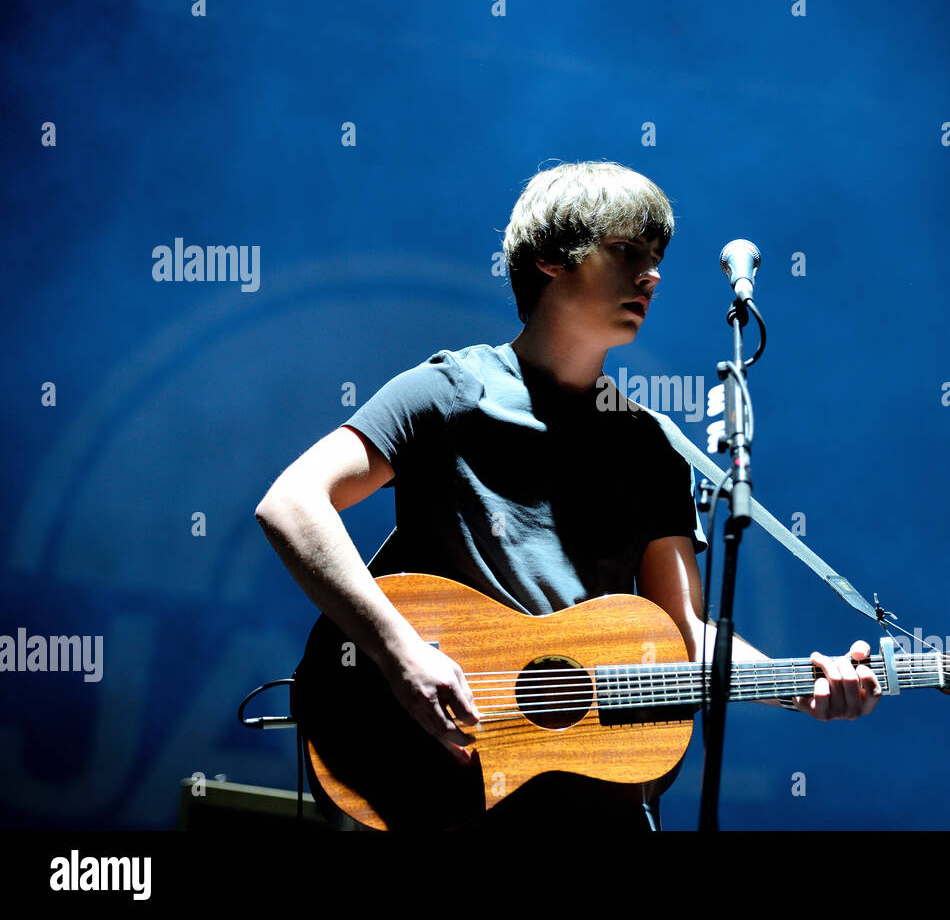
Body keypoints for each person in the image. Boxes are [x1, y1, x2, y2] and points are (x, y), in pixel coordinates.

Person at [255, 160, 882, 830]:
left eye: (657, 258)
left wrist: (801, 686)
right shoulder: (448, 392)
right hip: (445, 775)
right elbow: (292, 502)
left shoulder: (653, 448)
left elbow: (685, 634)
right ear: (551, 258)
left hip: (588, 797)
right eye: (626, 251)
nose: (652, 275)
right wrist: (399, 650)